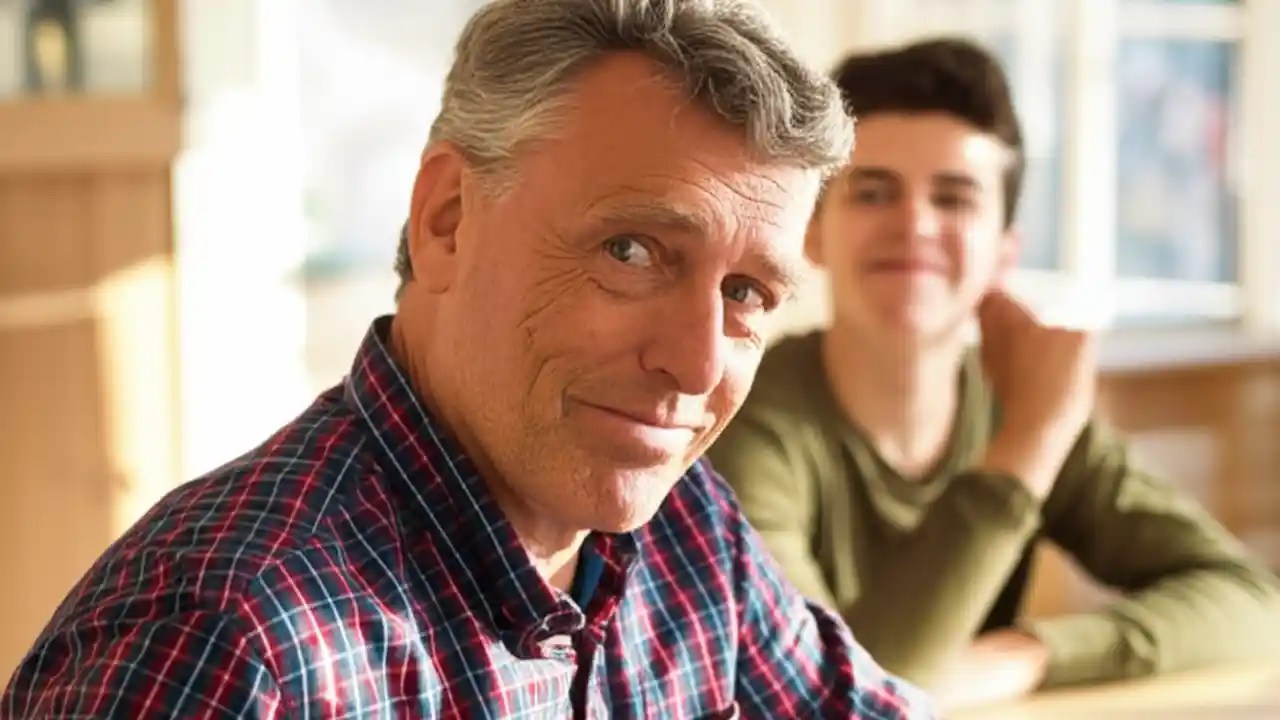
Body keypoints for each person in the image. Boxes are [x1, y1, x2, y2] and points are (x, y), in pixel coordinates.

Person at [1, 2, 937, 718]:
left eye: (747, 295)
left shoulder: (689, 533)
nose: (697, 366)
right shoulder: (232, 643)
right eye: (632, 251)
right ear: (446, 219)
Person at [707, 37, 1280, 709]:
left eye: (954, 199)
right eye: (874, 193)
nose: (915, 225)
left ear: (1004, 252)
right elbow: (835, 700)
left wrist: (1027, 655)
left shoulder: (1018, 402)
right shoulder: (745, 418)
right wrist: (1027, 447)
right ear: (812, 233)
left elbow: (1252, 601)